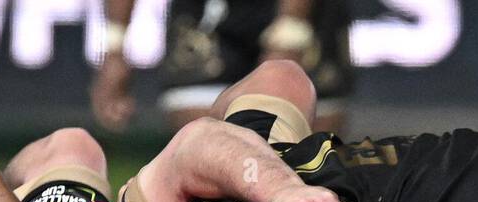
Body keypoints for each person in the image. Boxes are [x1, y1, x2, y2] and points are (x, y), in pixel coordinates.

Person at [90, 0, 353, 133]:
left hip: (311, 13)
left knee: (311, 157)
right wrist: (114, 50)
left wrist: (292, 27)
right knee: (201, 142)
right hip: (209, 12)